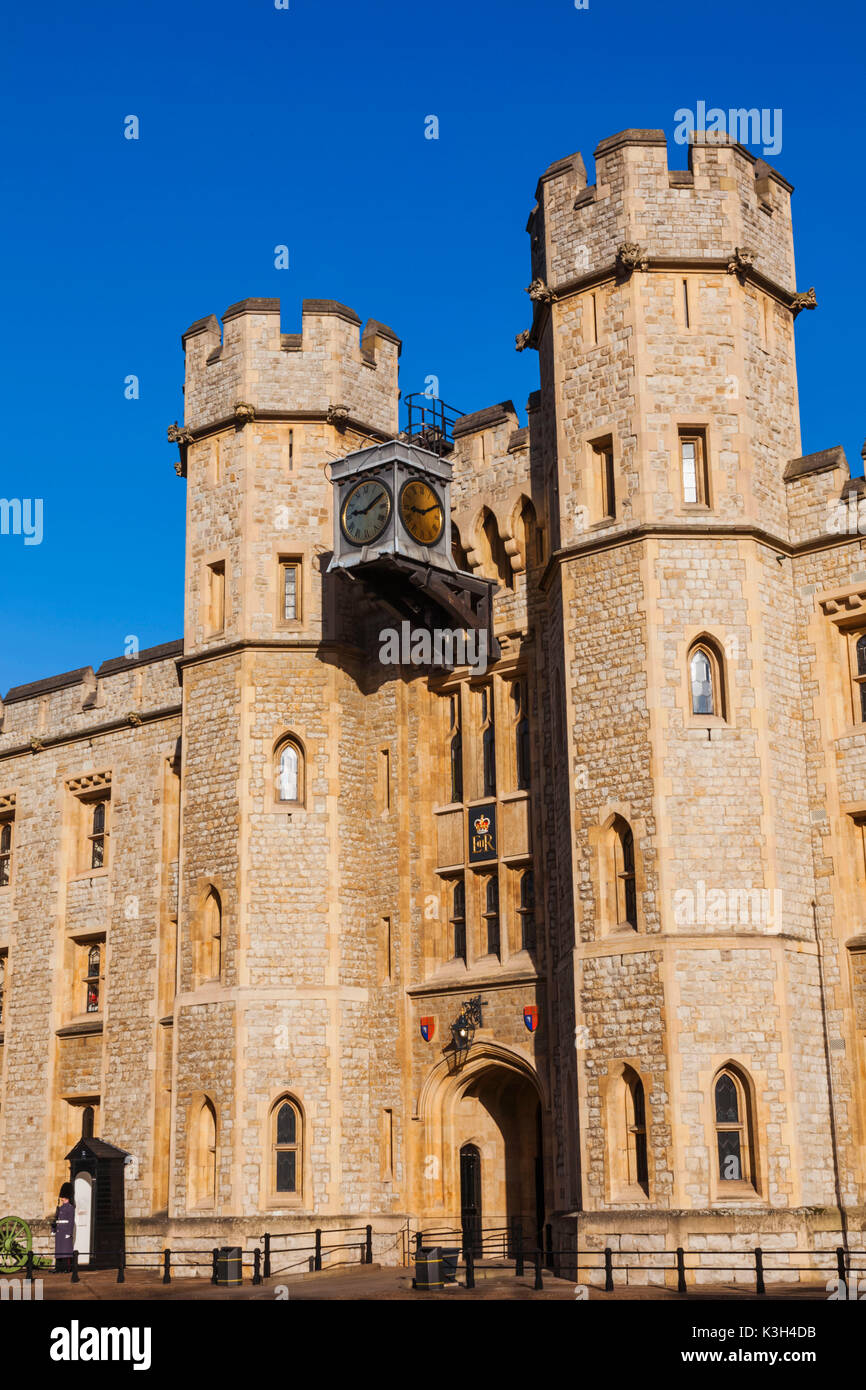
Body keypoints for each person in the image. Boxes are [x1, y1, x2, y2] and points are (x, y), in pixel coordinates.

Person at [52, 1182, 75, 1272]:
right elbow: (55, 1220)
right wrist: (53, 1229)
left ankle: (67, 1268)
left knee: (65, 1250)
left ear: (67, 1197)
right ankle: (58, 1268)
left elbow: (71, 1221)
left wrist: (69, 1233)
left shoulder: (70, 1208)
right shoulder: (60, 1208)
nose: (62, 1198)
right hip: (59, 1231)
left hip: (65, 1231)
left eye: (64, 1197)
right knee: (59, 1250)